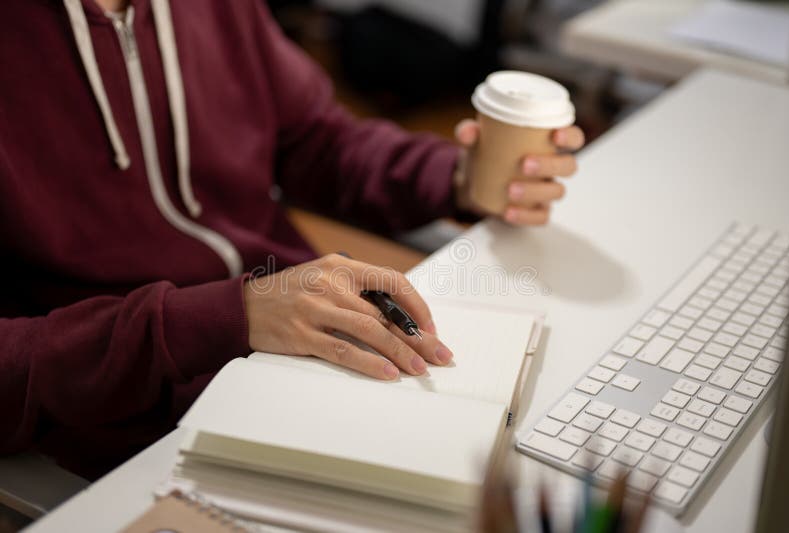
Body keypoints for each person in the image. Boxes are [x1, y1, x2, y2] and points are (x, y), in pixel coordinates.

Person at [0, 0, 585, 478]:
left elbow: (314, 141)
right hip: (123, 421)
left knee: (531, 442)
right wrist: (225, 316)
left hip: (298, 339)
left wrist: (455, 177)